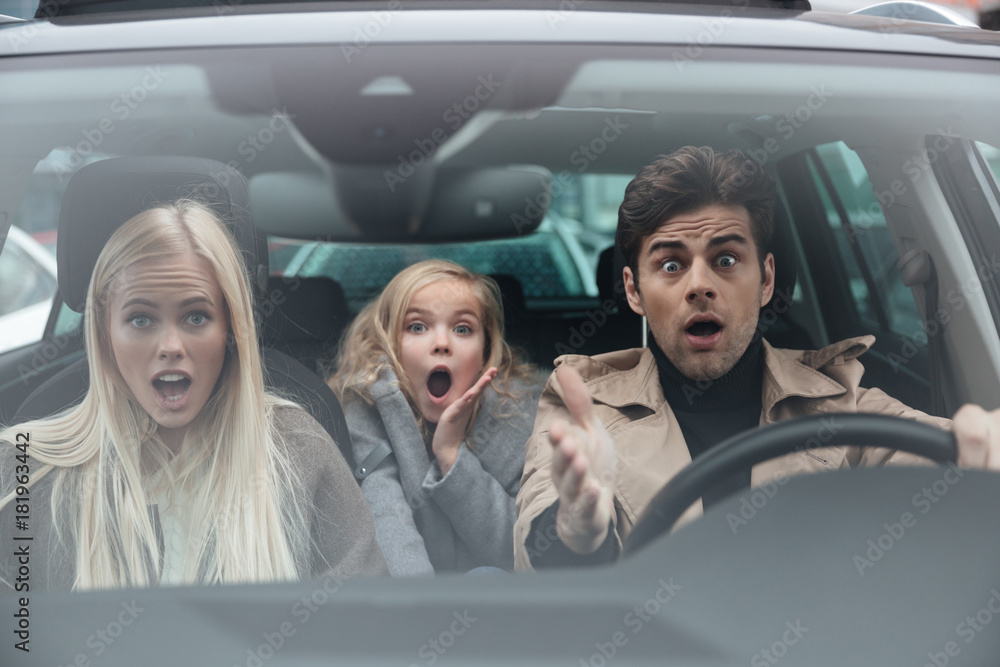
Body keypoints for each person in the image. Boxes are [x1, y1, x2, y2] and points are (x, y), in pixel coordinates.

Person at [513, 146, 1000, 570]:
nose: (700, 284)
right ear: (633, 291)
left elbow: (936, 454)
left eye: (725, 259)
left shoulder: (843, 401)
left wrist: (976, 454)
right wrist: (576, 531)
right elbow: (541, 534)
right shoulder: (583, 407)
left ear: (766, 280)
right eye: (670, 264)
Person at [0, 200, 388, 591]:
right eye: (140, 319)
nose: (171, 345)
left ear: (230, 329)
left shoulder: (299, 450)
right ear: (105, 332)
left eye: (196, 316)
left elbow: (360, 629)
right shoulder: (24, 469)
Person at [329, 259, 543, 576]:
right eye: (418, 327)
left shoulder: (522, 416)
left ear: (485, 352)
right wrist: (424, 613)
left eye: (462, 329)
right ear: (388, 346)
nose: (441, 344)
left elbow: (518, 555)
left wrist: (451, 455)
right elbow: (388, 521)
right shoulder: (366, 409)